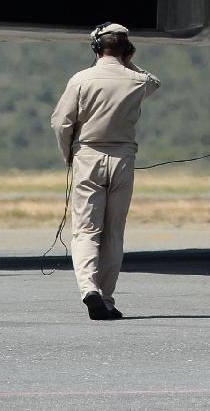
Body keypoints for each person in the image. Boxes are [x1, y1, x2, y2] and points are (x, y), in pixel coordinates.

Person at [50, 22, 161, 320]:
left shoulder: (81, 80)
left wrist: (69, 155)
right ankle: (107, 300)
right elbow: (154, 81)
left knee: (87, 230)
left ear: (96, 48)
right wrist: (127, 61)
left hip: (88, 155)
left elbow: (61, 123)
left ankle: (90, 290)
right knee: (113, 232)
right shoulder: (136, 81)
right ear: (126, 50)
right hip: (123, 158)